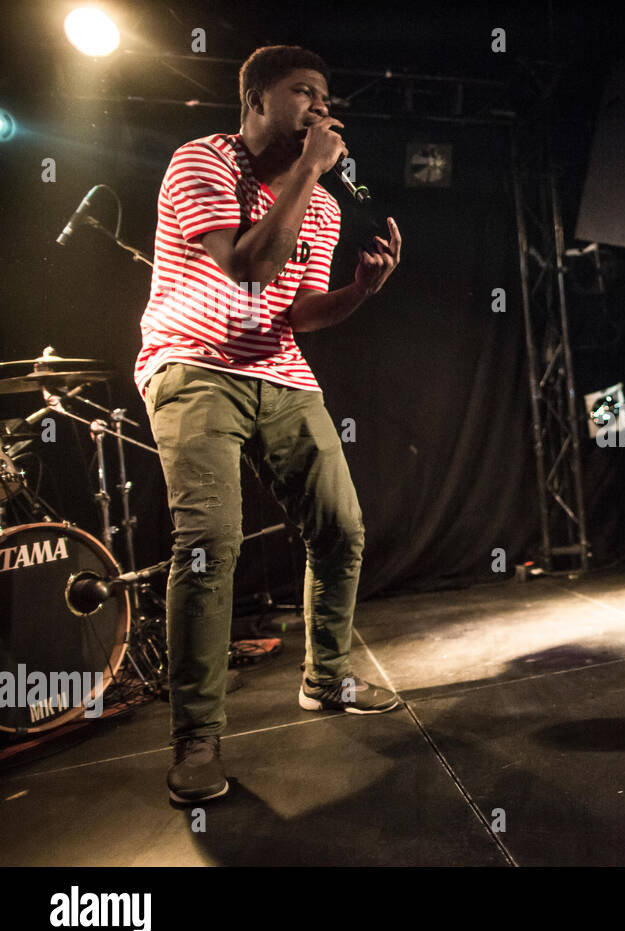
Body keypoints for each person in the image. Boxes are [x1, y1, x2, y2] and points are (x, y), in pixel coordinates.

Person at [135, 45, 403, 804]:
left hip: (278, 371)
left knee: (343, 526)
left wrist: (359, 289)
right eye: (303, 93)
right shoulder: (202, 161)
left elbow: (300, 313)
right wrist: (309, 171)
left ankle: (326, 679)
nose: (321, 107)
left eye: (326, 96)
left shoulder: (321, 202)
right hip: (191, 365)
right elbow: (248, 265)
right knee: (208, 543)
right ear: (255, 100)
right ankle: (196, 736)